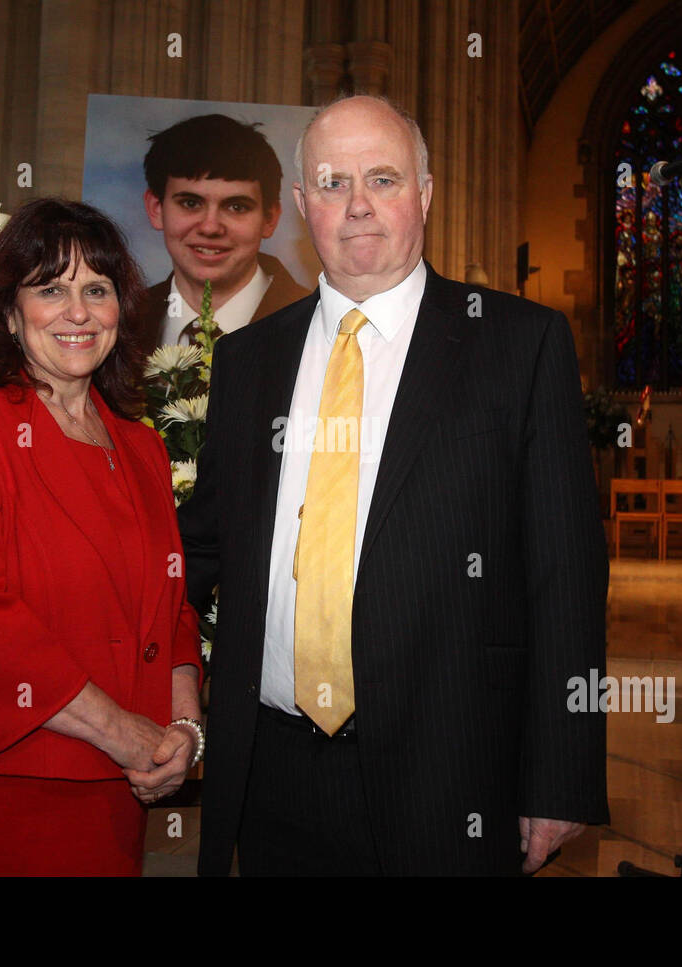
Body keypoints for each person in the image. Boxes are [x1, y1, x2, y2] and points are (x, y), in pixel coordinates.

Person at [179, 96, 609, 876]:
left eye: (382, 177)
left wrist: (561, 772)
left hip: (451, 772)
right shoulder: (247, 361)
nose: (358, 205)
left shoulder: (519, 343)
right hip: (272, 773)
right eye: (333, 183)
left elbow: (567, 574)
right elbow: (200, 548)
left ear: (426, 192)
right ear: (303, 207)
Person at [0, 198, 204, 876]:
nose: (78, 311)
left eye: (97, 289)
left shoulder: (140, 448)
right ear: (8, 311)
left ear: (122, 309)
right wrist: (126, 734)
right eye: (51, 288)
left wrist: (184, 730)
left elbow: (170, 613)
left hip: (114, 802)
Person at [140, 113, 310, 349]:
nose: (210, 227)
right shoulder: (120, 321)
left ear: (270, 219)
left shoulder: (316, 325)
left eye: (236, 207)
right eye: (190, 203)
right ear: (156, 208)